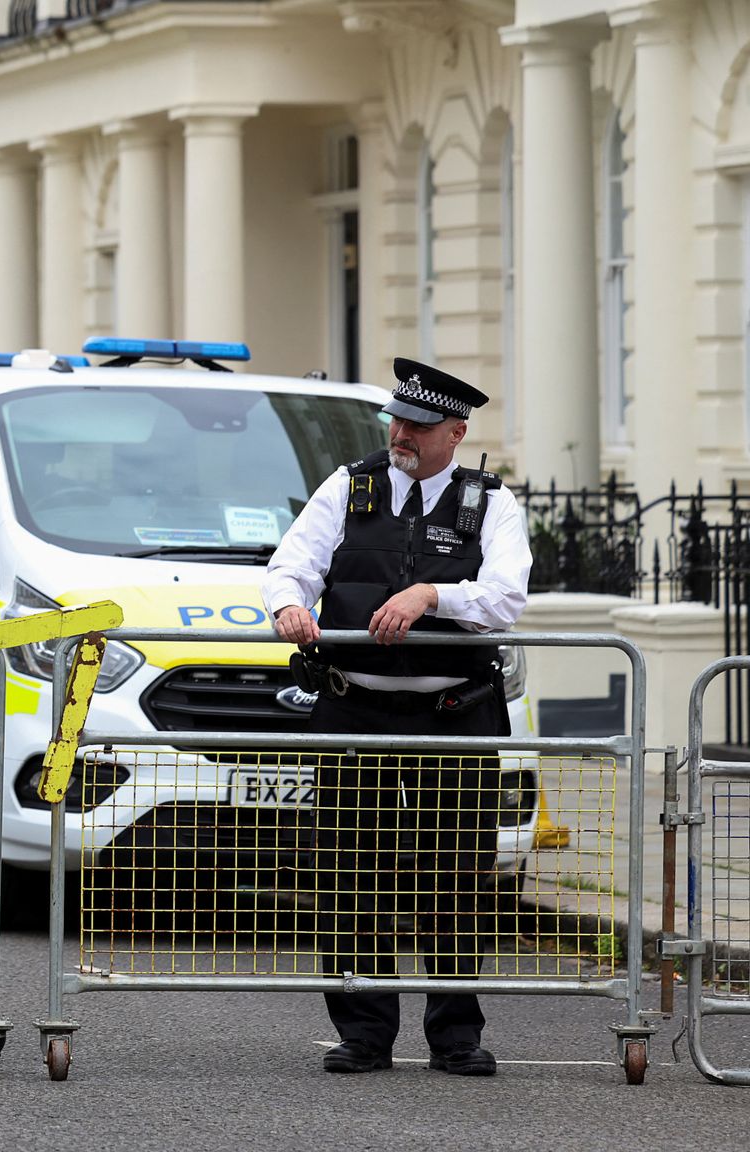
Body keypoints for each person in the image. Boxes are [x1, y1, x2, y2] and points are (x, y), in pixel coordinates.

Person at [263, 357, 531, 1079]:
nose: (399, 434)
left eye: (416, 424)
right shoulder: (349, 488)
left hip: (456, 713)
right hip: (357, 706)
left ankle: (455, 1037)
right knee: (352, 870)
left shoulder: (490, 504)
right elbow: (291, 563)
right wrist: (289, 603)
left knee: (456, 873)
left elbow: (506, 597)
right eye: (395, 420)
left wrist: (431, 596)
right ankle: (363, 1032)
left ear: (456, 430)